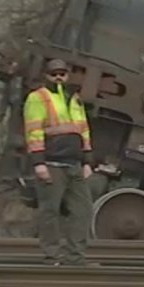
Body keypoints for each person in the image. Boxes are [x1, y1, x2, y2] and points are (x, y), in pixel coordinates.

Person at [24, 58, 94, 266]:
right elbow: (33, 131)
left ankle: (75, 256)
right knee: (50, 211)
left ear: (67, 75)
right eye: (54, 74)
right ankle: (52, 255)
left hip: (74, 164)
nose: (58, 77)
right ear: (46, 75)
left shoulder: (74, 98)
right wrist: (38, 162)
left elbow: (84, 130)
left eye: (62, 73)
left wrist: (87, 161)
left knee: (83, 210)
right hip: (51, 163)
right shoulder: (37, 98)